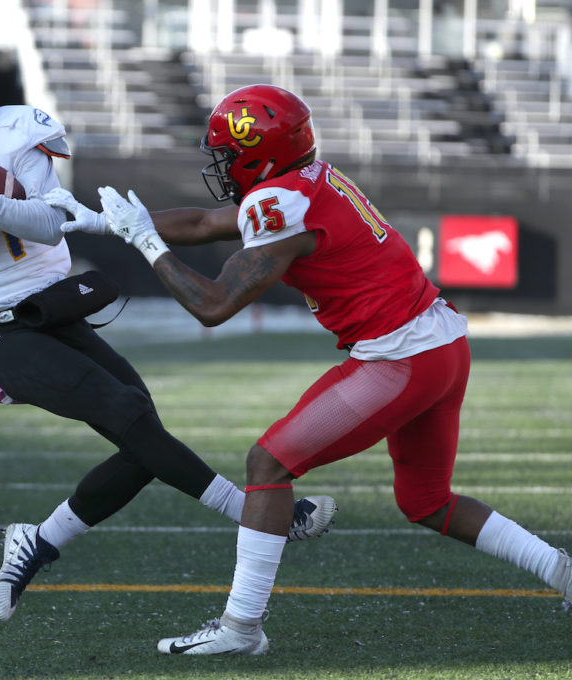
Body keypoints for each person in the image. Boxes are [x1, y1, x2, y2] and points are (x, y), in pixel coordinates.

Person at [51, 84, 572, 655]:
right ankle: (560, 570)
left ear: (260, 154)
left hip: (399, 356)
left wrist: (146, 243)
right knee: (426, 500)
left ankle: (241, 628)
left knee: (268, 462)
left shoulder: (278, 203)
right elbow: (203, 223)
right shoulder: (310, 179)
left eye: (227, 155)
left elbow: (214, 305)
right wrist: (105, 222)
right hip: (442, 344)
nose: (221, 166)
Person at [0, 41, 336, 625]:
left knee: (143, 437)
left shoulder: (15, 132)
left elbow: (49, 220)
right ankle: (255, 513)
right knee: (128, 415)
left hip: (52, 308)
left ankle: (36, 541)